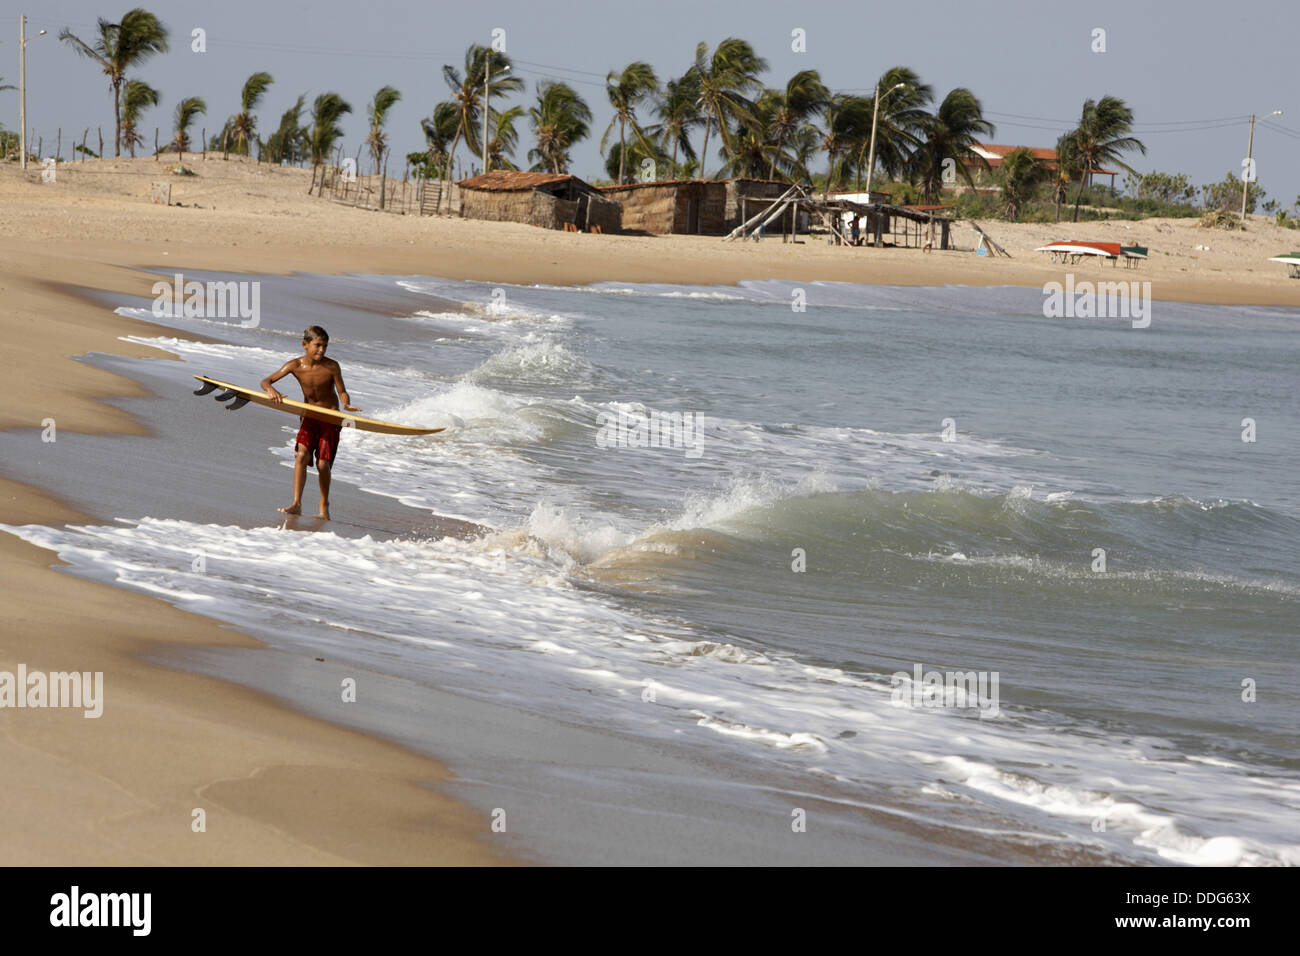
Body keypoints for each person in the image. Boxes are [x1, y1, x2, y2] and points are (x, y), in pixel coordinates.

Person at [260, 326, 359, 520]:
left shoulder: (332, 366)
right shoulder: (295, 365)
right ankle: (296, 503)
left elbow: (341, 391)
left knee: (323, 465)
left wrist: (346, 403)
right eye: (317, 345)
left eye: (325, 346)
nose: (321, 350)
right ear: (305, 344)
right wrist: (271, 391)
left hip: (330, 418)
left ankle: (324, 503)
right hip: (309, 416)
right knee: (301, 456)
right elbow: (266, 381)